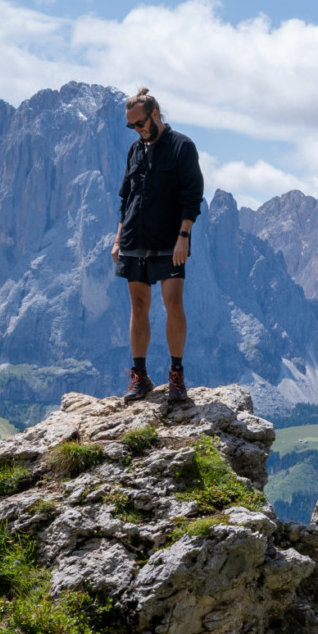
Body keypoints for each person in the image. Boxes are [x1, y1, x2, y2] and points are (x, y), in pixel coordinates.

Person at [112, 88, 203, 403]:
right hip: (134, 239)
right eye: (131, 126)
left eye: (139, 124)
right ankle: (140, 377)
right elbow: (127, 198)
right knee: (138, 306)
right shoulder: (135, 150)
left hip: (169, 241)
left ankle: (176, 376)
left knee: (173, 303)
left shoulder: (182, 147)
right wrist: (117, 237)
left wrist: (184, 236)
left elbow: (193, 195)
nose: (136, 130)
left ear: (155, 115)